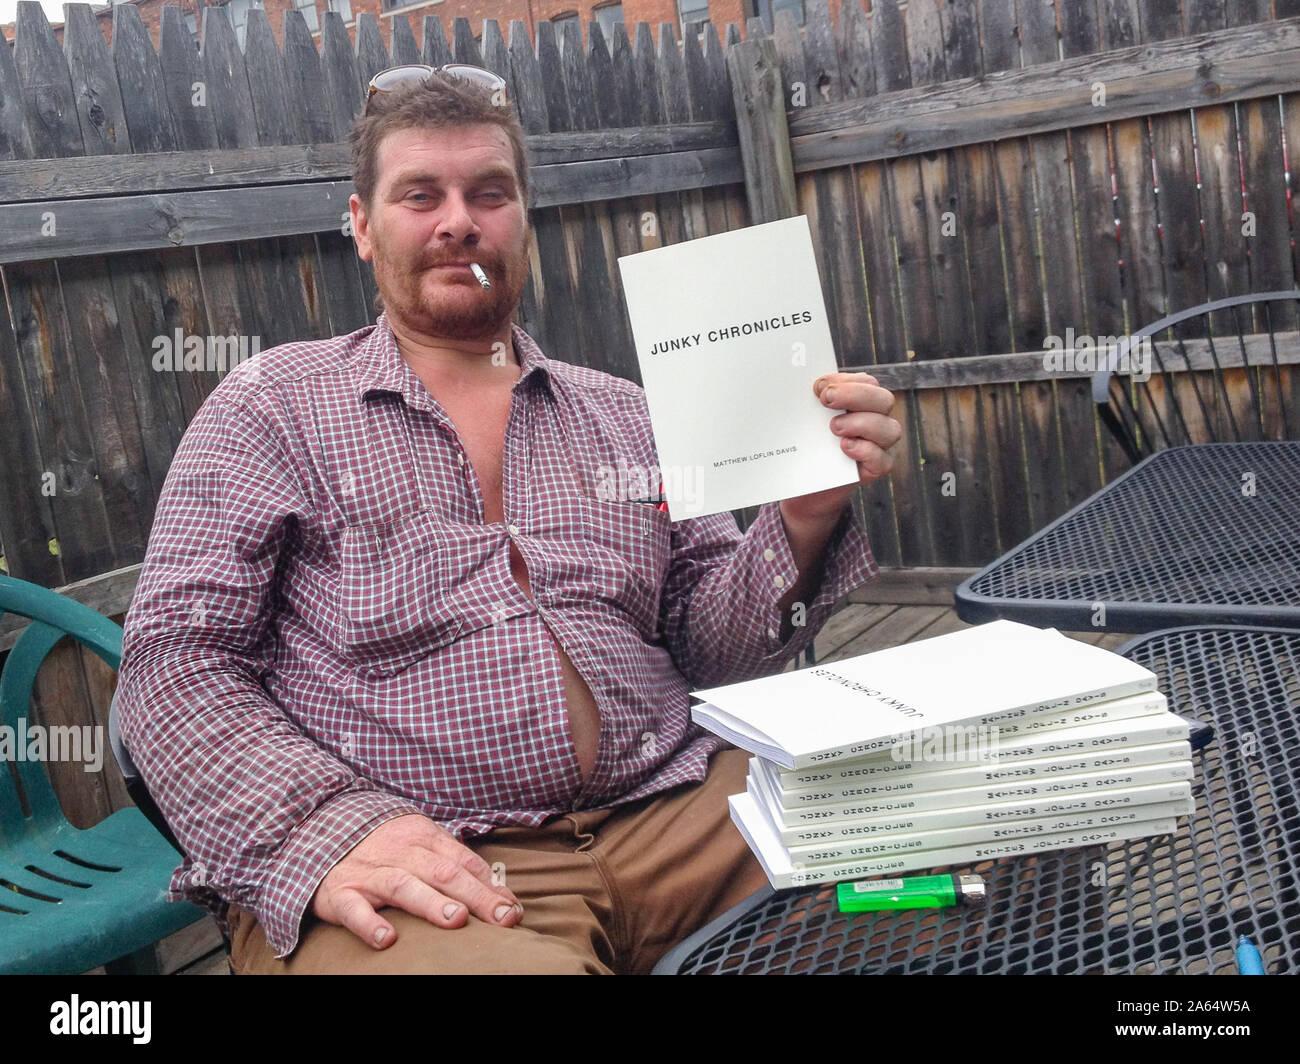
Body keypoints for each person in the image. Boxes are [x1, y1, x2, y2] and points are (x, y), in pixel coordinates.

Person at [116, 66, 903, 974]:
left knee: (974, 855)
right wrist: (320, 828)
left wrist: (803, 514)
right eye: (421, 195)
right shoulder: (269, 409)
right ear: (362, 228)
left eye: (489, 192)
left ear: (524, 219)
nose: (459, 220)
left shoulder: (623, 413)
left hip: (688, 812)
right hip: (423, 861)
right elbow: (174, 660)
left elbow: (711, 648)